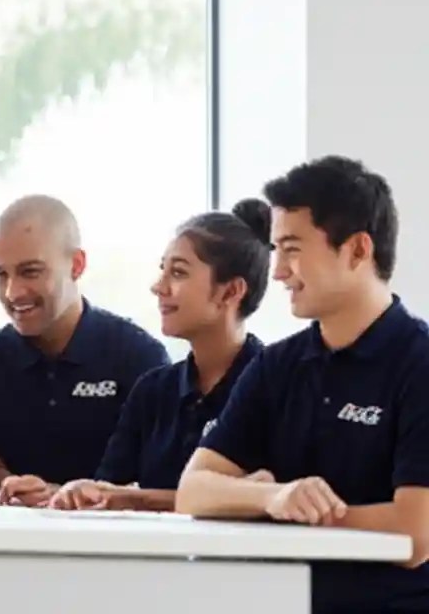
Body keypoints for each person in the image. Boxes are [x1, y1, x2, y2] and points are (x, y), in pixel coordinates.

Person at [177, 156, 429, 613]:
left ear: (357, 250)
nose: (276, 272)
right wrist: (273, 496)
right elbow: (193, 490)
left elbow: (415, 532)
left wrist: (294, 515)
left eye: (292, 248)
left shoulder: (419, 363)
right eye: (275, 251)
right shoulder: (278, 365)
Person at [0, 195, 171, 505]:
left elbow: (169, 491)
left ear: (76, 265)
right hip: (11, 546)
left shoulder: (139, 360)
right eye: (1, 274)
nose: (13, 292)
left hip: (120, 547)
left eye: (30, 272)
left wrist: (62, 496)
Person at [49, 199, 272, 511]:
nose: (158, 287)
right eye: (162, 270)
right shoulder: (153, 390)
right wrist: (57, 494)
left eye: (178, 273)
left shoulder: (276, 387)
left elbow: (270, 499)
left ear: (231, 291)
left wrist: (134, 499)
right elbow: (108, 490)